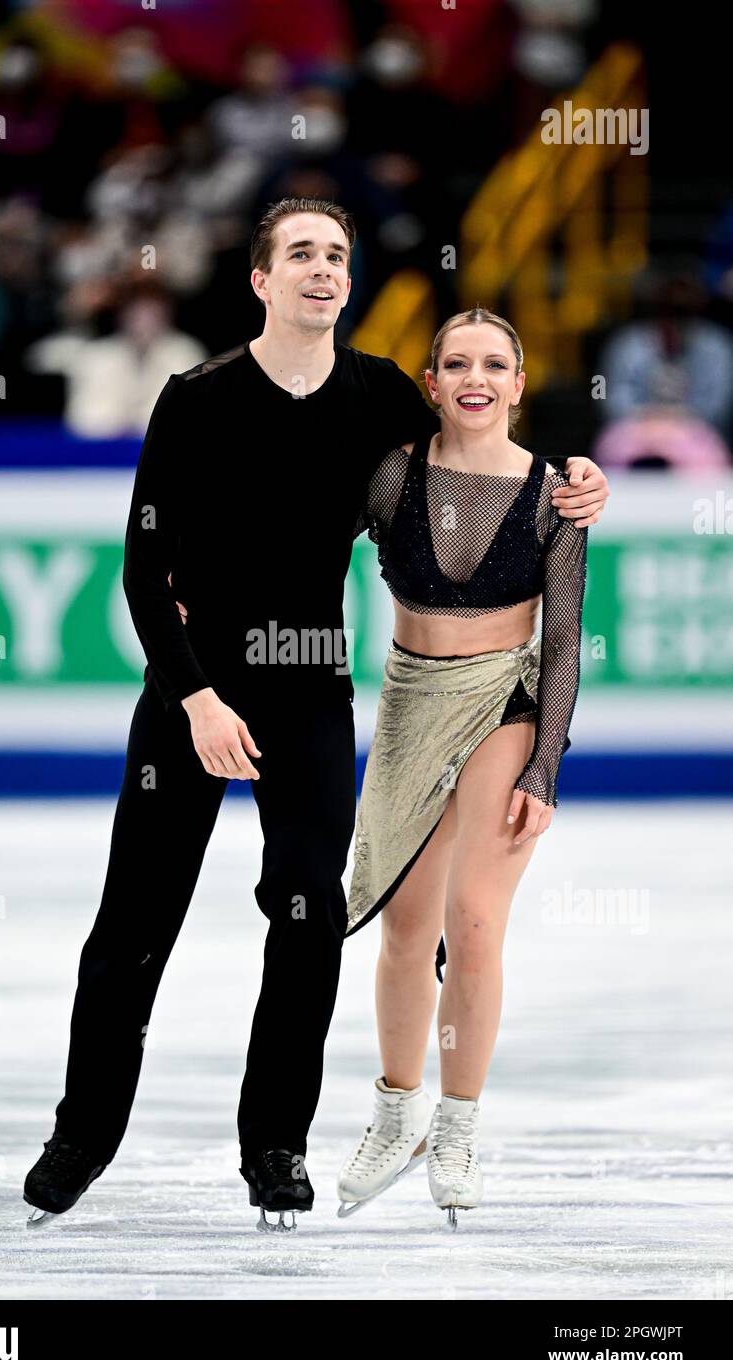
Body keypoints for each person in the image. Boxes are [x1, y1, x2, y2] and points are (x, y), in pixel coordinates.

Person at [22, 200, 609, 1233]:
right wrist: (195, 695)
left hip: (307, 691)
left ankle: (274, 1147)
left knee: (306, 920)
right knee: (133, 925)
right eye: (300, 253)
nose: (322, 268)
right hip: (190, 692)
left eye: (336, 254)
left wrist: (573, 480)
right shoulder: (195, 397)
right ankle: (82, 1133)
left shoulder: (381, 395)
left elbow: (476, 440)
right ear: (260, 279)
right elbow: (141, 570)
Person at [337, 308, 588, 1227]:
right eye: (456, 363)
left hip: (506, 704)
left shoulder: (556, 495)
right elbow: (303, 543)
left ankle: (458, 1124)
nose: (474, 377)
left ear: (519, 385)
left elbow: (561, 642)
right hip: (409, 700)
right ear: (433, 381)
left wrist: (544, 768)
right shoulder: (393, 474)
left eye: (494, 364)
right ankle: (397, 1108)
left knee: (472, 921)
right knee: (405, 928)